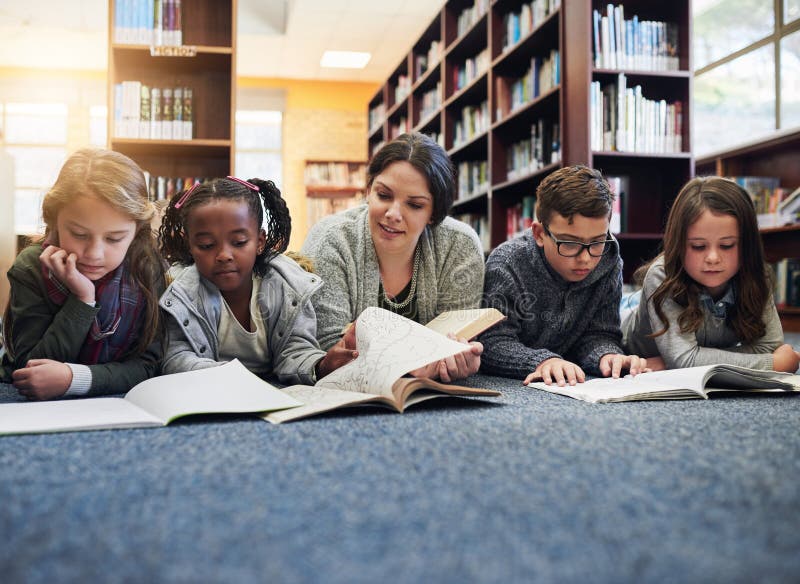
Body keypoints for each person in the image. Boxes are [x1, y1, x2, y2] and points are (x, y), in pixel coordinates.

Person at [300, 132, 485, 382]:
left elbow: (453, 341)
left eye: (415, 205)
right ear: (368, 191)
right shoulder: (331, 240)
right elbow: (328, 349)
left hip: (431, 402)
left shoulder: (459, 246)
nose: (393, 214)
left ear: (434, 213)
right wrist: (419, 361)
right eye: (384, 195)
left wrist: (459, 356)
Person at [2, 148, 165, 400]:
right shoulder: (31, 268)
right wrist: (82, 300)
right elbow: (32, 372)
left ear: (137, 231)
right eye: (79, 234)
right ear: (54, 220)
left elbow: (151, 366)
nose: (94, 253)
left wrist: (74, 379)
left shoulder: (146, 266)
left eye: (114, 238)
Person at [158, 176, 352, 385]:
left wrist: (321, 365)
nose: (224, 255)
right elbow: (175, 357)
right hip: (213, 391)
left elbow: (296, 350)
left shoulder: (287, 286)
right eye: (206, 245)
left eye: (239, 242)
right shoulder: (181, 293)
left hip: (276, 391)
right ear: (189, 245)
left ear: (260, 242)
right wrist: (225, 375)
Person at [480, 165, 647, 386]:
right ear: (540, 234)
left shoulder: (609, 258)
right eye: (569, 243)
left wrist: (607, 356)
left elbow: (599, 334)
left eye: (597, 241)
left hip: (571, 386)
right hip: (513, 388)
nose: (585, 259)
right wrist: (542, 362)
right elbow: (491, 343)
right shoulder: (507, 264)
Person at [622, 176, 800, 372]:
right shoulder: (663, 276)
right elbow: (685, 359)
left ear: (746, 245)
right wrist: (772, 364)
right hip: (624, 321)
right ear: (678, 245)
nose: (713, 258)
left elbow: (768, 347)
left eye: (726, 245)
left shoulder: (756, 275)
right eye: (698, 247)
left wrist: (678, 360)